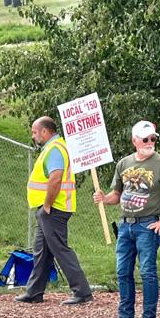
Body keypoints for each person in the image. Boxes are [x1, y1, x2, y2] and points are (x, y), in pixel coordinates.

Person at [94, 120, 160, 318]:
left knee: (147, 272)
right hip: (126, 225)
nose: (150, 142)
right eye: (145, 139)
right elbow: (116, 195)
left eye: (153, 139)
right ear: (135, 140)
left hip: (148, 226)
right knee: (123, 272)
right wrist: (103, 198)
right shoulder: (124, 163)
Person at [15, 116, 93, 306]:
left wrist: (47, 205)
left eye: (35, 132)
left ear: (44, 131)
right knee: (41, 251)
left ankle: (82, 291)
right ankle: (34, 291)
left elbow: (55, 179)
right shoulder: (54, 147)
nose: (33, 136)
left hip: (53, 208)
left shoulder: (55, 149)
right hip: (48, 208)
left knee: (60, 249)